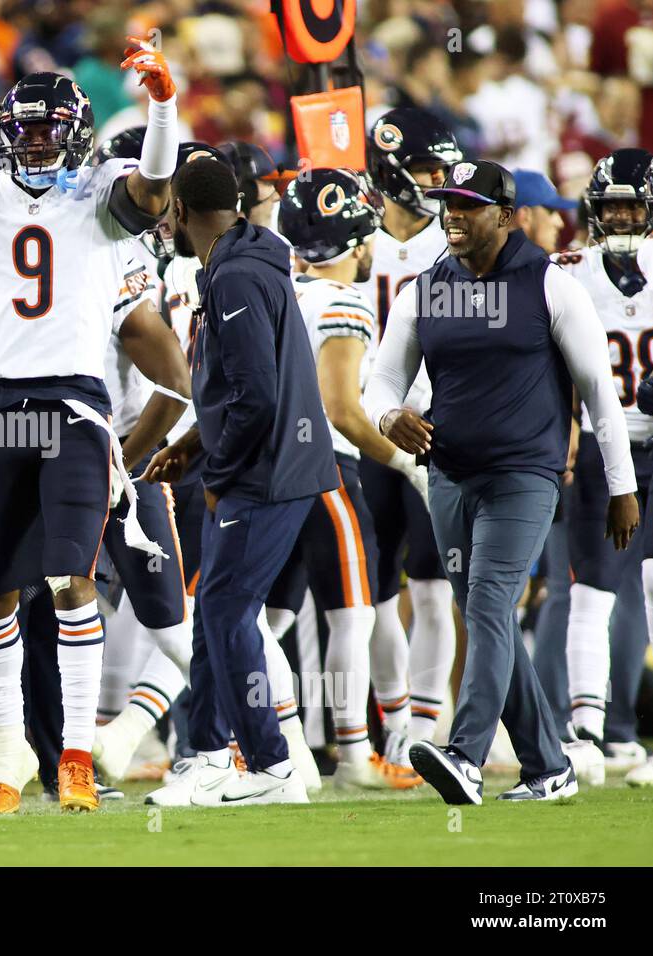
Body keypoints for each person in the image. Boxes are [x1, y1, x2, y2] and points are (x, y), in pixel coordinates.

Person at [0, 30, 180, 813]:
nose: (40, 145)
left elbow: (154, 188)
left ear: (78, 135)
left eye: (52, 132)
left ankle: (77, 755)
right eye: (27, 133)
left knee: (71, 579)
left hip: (78, 403)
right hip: (2, 405)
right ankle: (6, 760)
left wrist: (161, 107)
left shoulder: (104, 194)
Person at [365, 159, 639, 804]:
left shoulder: (551, 284)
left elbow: (600, 391)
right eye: (447, 203)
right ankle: (548, 765)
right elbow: (383, 379)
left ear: (506, 216)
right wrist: (388, 414)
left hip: (525, 474)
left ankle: (465, 754)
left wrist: (621, 486)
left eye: (468, 204)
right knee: (484, 615)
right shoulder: (425, 288)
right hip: (450, 477)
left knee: (488, 605)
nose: (452, 215)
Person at [143, 157, 339, 805]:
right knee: (218, 611)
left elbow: (256, 394)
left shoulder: (233, 278)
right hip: (271, 463)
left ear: (179, 211)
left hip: (267, 472)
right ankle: (206, 755)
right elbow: (244, 385)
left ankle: (269, 765)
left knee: (227, 613)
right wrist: (196, 442)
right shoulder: (246, 262)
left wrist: (217, 469)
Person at [273, 168, 427, 791]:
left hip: (271, 469)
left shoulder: (280, 291)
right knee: (353, 615)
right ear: (359, 240)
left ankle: (274, 739)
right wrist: (403, 463)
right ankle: (354, 754)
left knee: (269, 617)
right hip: (327, 471)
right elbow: (343, 410)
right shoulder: (344, 301)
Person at [359, 107, 463, 753]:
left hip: (433, 430)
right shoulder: (352, 233)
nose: (437, 180)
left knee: (430, 583)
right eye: (425, 169)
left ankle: (426, 726)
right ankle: (393, 725)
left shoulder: (452, 241)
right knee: (368, 595)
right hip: (361, 431)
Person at [551, 151, 653, 778]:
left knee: (652, 584)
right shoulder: (567, 273)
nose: (620, 215)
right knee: (592, 588)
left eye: (630, 205)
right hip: (598, 444)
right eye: (611, 204)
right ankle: (585, 730)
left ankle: (628, 735)